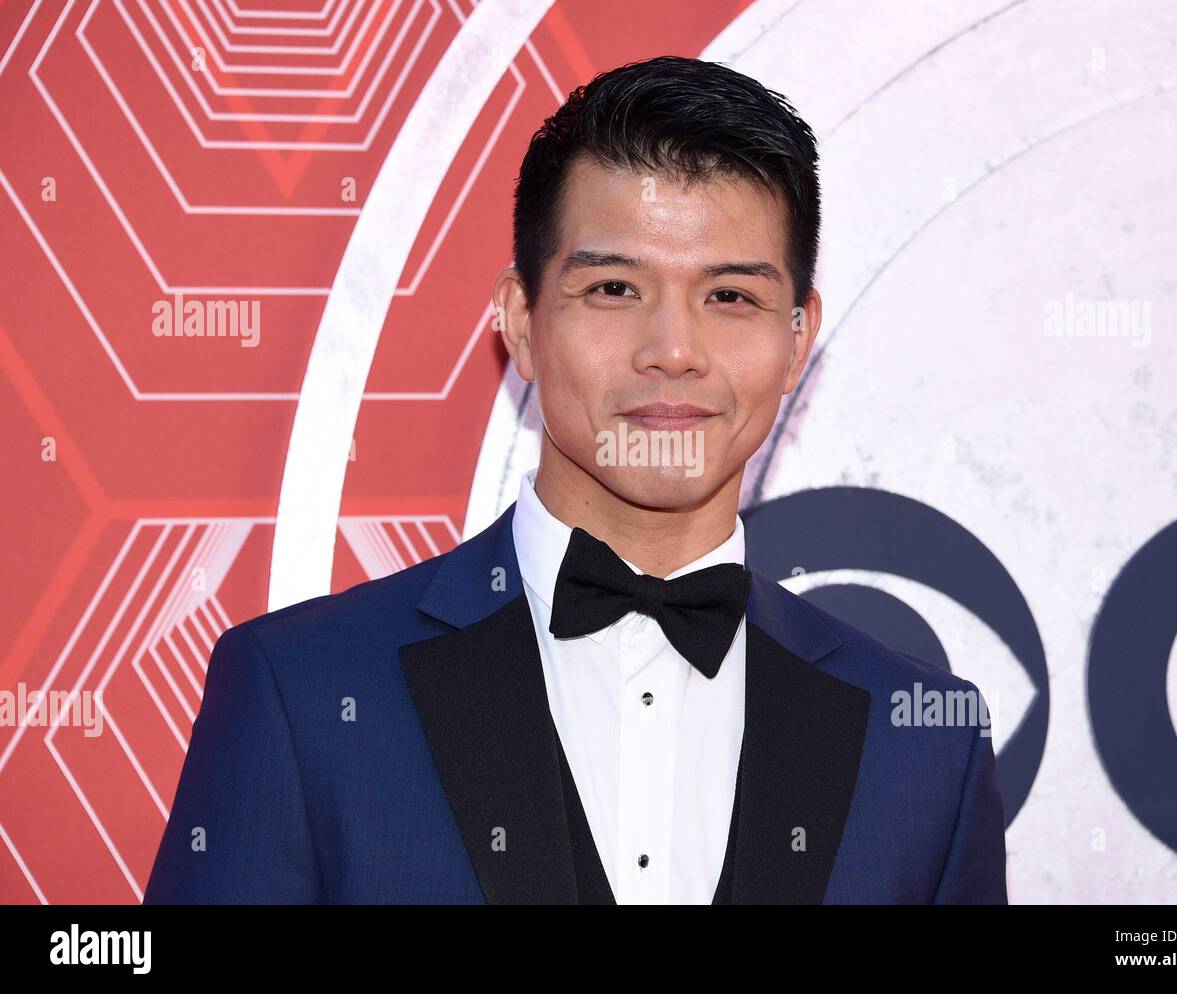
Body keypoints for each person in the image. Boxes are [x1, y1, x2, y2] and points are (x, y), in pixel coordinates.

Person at [143, 55, 1008, 905]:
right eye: (614, 288)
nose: (672, 350)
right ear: (521, 322)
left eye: (730, 298)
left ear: (796, 337)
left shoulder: (925, 746)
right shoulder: (299, 691)